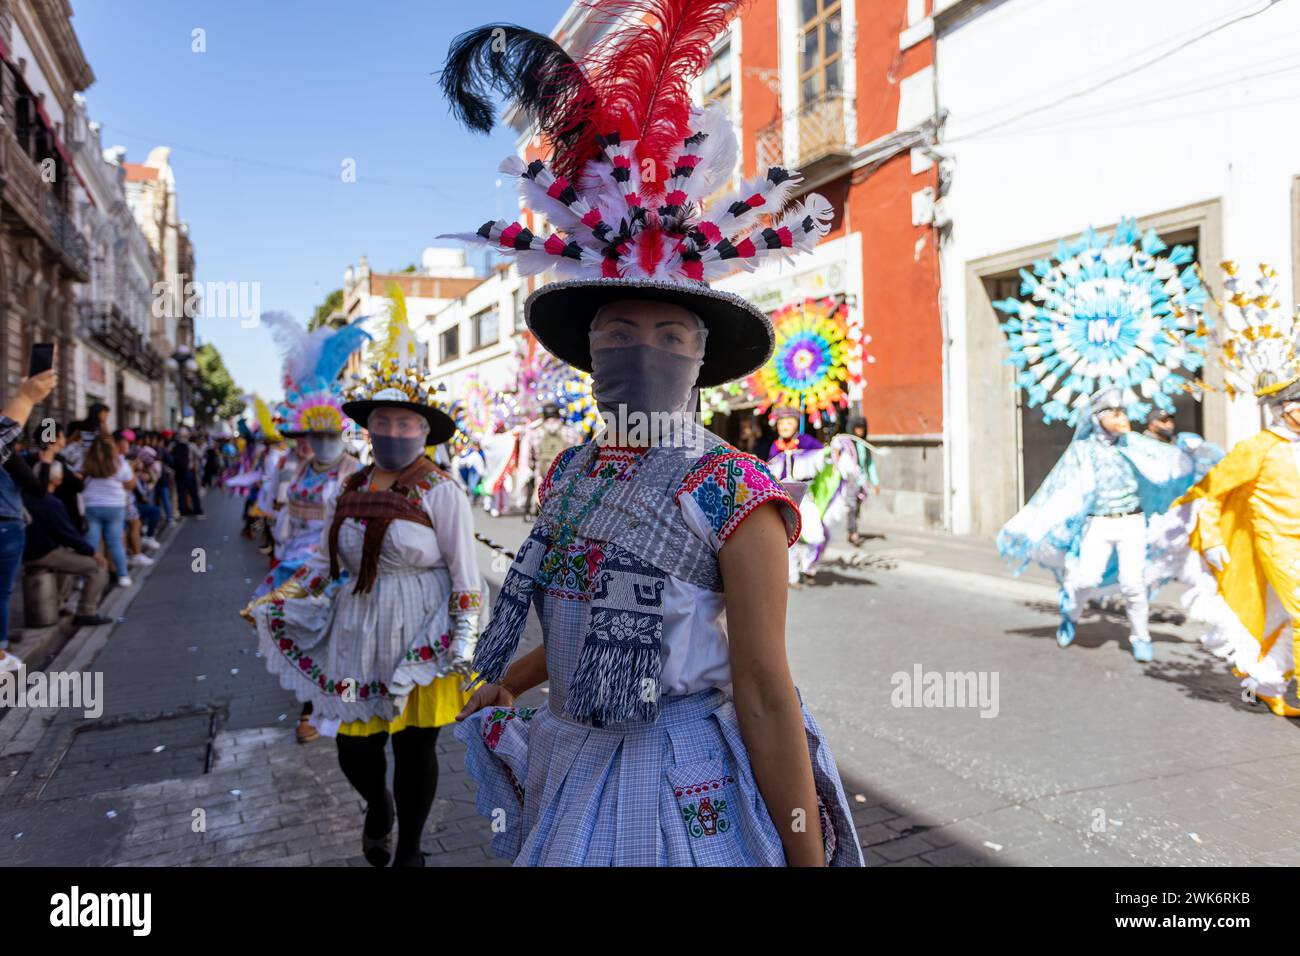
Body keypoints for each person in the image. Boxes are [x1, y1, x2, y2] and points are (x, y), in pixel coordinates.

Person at [439, 5, 862, 866]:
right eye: (619, 332)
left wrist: (805, 856)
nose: (644, 350)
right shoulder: (571, 475)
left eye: (671, 336)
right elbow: (576, 619)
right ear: (589, 349)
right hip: (571, 757)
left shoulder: (741, 497)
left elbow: (763, 692)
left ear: (702, 359)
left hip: (683, 780)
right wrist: (507, 681)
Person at [243, 294, 482, 866]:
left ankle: (413, 851)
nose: (394, 429)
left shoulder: (442, 491)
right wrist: (278, 598)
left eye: (406, 421)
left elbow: (465, 574)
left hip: (420, 624)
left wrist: (464, 640)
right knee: (355, 745)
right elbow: (325, 564)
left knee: (415, 742)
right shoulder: (347, 488)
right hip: (355, 625)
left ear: (424, 430)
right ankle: (377, 804)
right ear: (368, 427)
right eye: (383, 420)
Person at [1176, 262, 1300, 717]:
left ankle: (1268, 681)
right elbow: (1210, 491)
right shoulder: (1258, 448)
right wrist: (1208, 539)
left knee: (1289, 619)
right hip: (1278, 544)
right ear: (1283, 409)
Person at [999, 388, 1199, 662]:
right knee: (1086, 579)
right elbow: (1061, 490)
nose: (1122, 418)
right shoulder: (1083, 451)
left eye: (1123, 412)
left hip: (1132, 521)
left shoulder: (1134, 443)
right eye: (1115, 413)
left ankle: (1141, 637)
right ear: (1098, 417)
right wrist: (1031, 527)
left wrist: (1191, 453)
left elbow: (1168, 466)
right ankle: (1070, 614)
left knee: (1134, 584)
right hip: (1098, 524)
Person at [248, 313, 369, 743]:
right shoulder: (289, 470)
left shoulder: (356, 473)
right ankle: (315, 700)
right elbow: (271, 513)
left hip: (338, 570)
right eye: (308, 435)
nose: (315, 442)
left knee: (335, 639)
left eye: (324, 434)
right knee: (302, 639)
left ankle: (321, 706)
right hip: (294, 567)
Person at [0, 369, 58, 672]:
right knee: (2, 592)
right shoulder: (10, 452)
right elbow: (37, 490)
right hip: (7, 524)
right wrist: (24, 398)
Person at [23, 461, 112, 627]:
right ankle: (87, 611)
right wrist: (92, 552)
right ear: (56, 479)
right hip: (43, 552)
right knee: (98, 567)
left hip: (30, 550)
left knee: (68, 561)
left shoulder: (25, 497)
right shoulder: (50, 502)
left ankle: (59, 604)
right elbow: (68, 534)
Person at [82, 434, 135, 588]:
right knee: (115, 543)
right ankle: (123, 575)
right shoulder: (120, 463)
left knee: (91, 544)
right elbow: (130, 484)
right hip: (115, 506)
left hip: (91, 506)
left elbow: (78, 479)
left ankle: (86, 578)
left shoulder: (86, 462)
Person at [844, 416, 881, 546]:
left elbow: (870, 464)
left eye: (862, 428)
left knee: (857, 506)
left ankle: (852, 529)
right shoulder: (847, 444)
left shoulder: (864, 445)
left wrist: (875, 482)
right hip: (850, 480)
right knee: (851, 506)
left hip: (861, 482)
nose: (860, 431)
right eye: (858, 428)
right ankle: (853, 532)